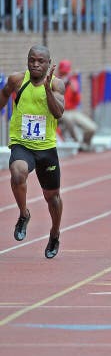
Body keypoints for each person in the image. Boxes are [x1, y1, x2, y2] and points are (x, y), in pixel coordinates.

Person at [0, 45, 66, 258]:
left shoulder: (57, 85)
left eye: (40, 61)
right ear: (27, 61)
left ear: (48, 64)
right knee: (17, 172)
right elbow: (2, 96)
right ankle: (23, 214)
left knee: (52, 197)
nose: (35, 64)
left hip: (46, 148)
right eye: (32, 60)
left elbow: (58, 113)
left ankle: (55, 233)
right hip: (22, 144)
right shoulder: (17, 81)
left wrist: (47, 89)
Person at [55, 59, 97, 151]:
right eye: (63, 73)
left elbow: (77, 102)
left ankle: (85, 144)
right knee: (68, 120)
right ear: (59, 72)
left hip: (73, 111)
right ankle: (77, 143)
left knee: (92, 127)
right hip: (60, 112)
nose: (64, 75)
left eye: (66, 73)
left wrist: (75, 92)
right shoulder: (54, 81)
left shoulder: (73, 82)